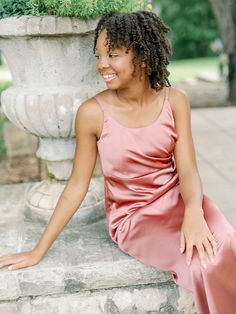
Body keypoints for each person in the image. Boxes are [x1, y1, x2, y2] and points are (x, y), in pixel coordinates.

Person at [0, 10, 236, 313]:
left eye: (112, 55)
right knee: (201, 262)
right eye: (99, 55)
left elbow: (188, 169)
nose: (102, 65)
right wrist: (38, 250)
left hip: (181, 200)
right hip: (135, 219)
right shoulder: (92, 113)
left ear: (142, 55)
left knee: (227, 244)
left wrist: (194, 212)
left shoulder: (176, 101)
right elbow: (76, 186)